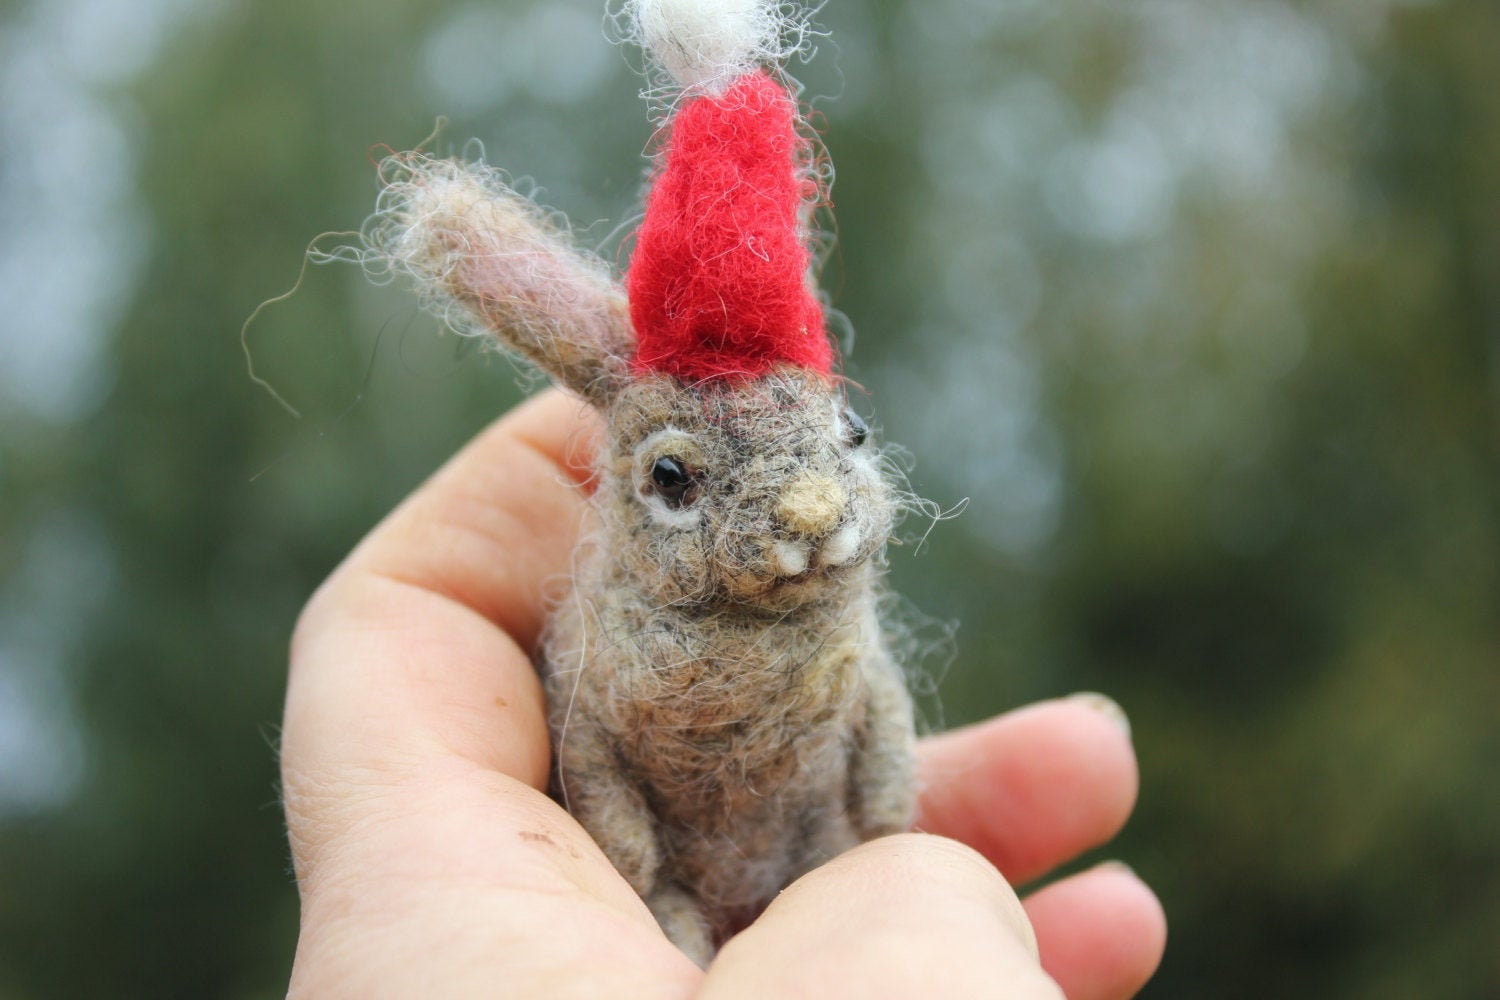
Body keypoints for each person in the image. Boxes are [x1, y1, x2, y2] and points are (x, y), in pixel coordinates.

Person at [279, 390, 1167, 998]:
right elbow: (593, 741)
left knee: (861, 866)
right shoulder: (614, 637)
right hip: (673, 878)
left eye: (846, 435)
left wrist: (879, 791)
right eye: (677, 482)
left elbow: (871, 691)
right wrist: (634, 866)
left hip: (813, 839)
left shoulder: (835, 622)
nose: (813, 514)